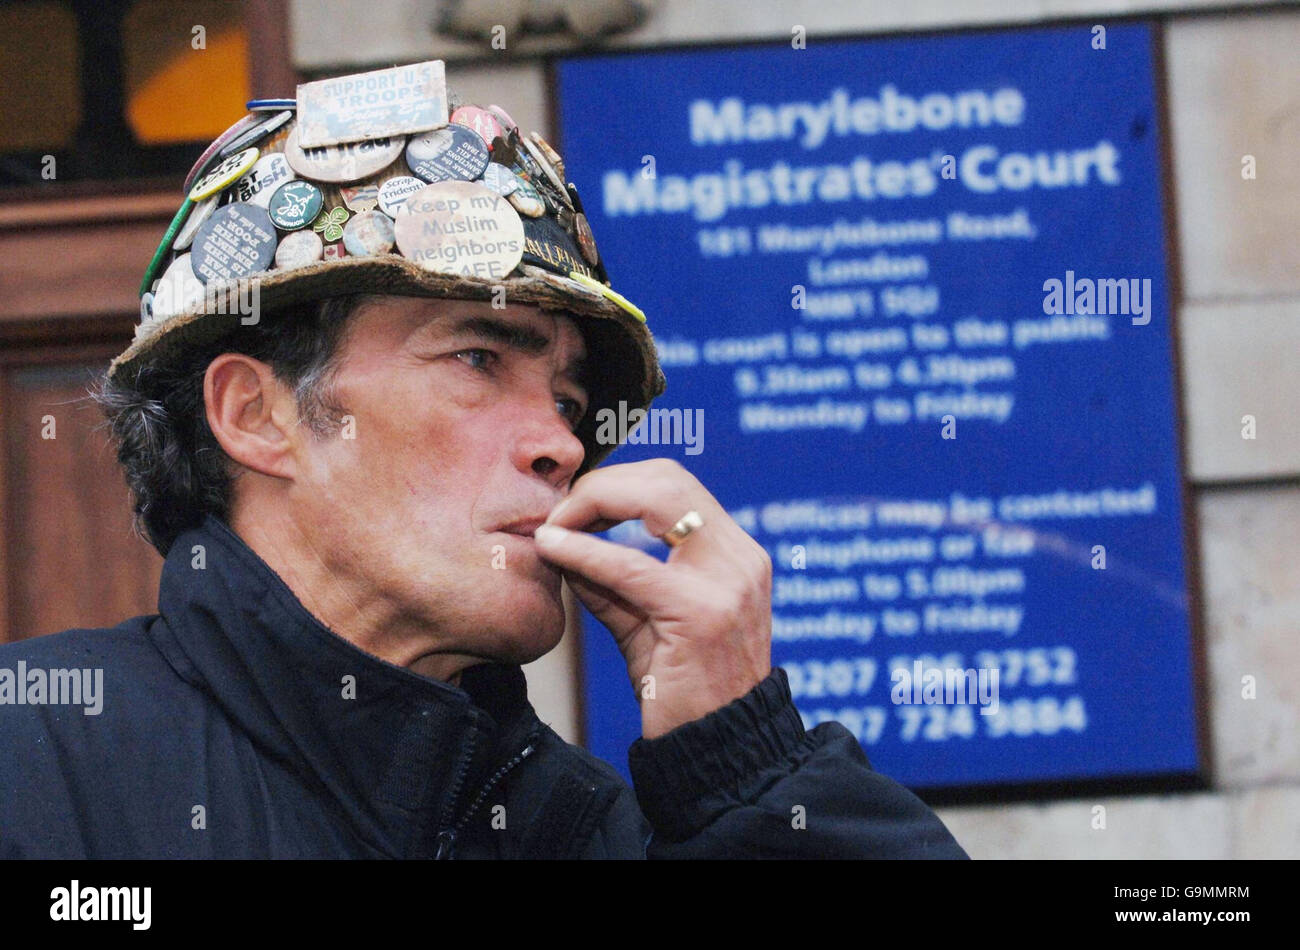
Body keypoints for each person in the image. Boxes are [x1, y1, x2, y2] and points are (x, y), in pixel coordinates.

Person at [0, 61, 968, 859]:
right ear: (256, 415)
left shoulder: (588, 827)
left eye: (570, 400)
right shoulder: (34, 758)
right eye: (476, 357)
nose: (561, 442)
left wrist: (747, 767)